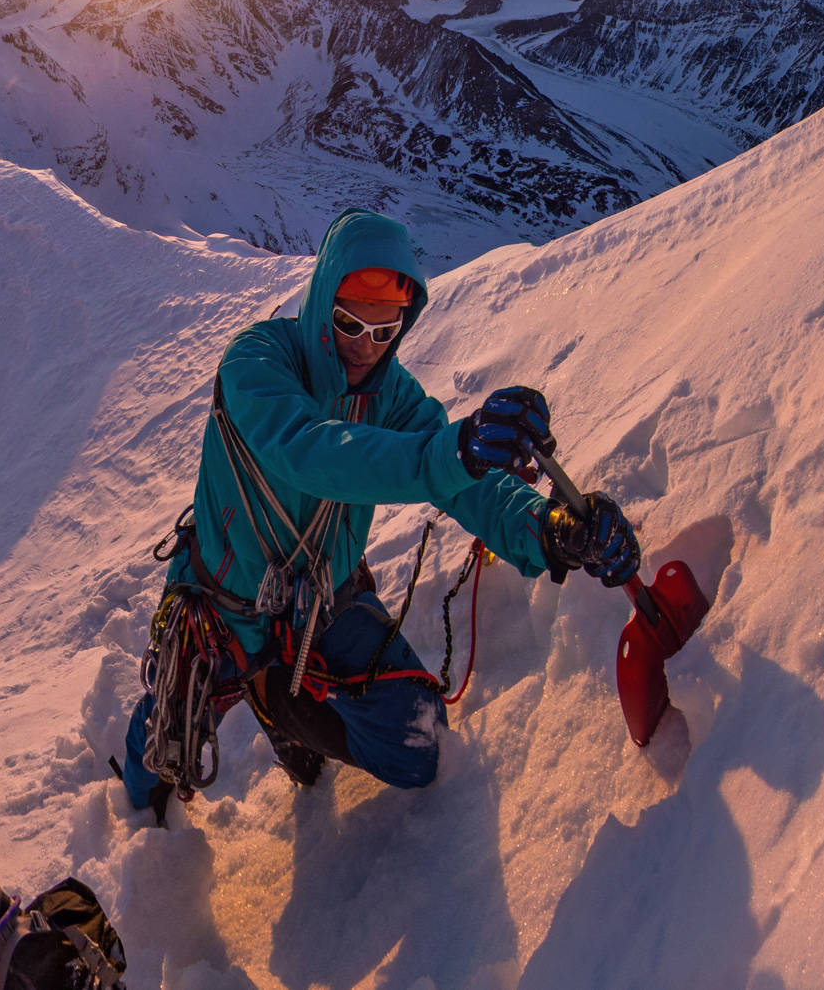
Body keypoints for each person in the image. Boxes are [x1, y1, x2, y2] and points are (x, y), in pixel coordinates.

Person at [120, 209, 640, 810]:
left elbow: (465, 484)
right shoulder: (256, 363)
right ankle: (141, 821)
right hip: (223, 610)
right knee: (166, 736)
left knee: (415, 745)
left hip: (324, 601)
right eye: (348, 324)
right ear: (321, 305)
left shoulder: (391, 397)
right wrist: (450, 450)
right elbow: (310, 451)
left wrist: (548, 530)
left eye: (384, 331)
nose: (365, 346)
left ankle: (279, 703)